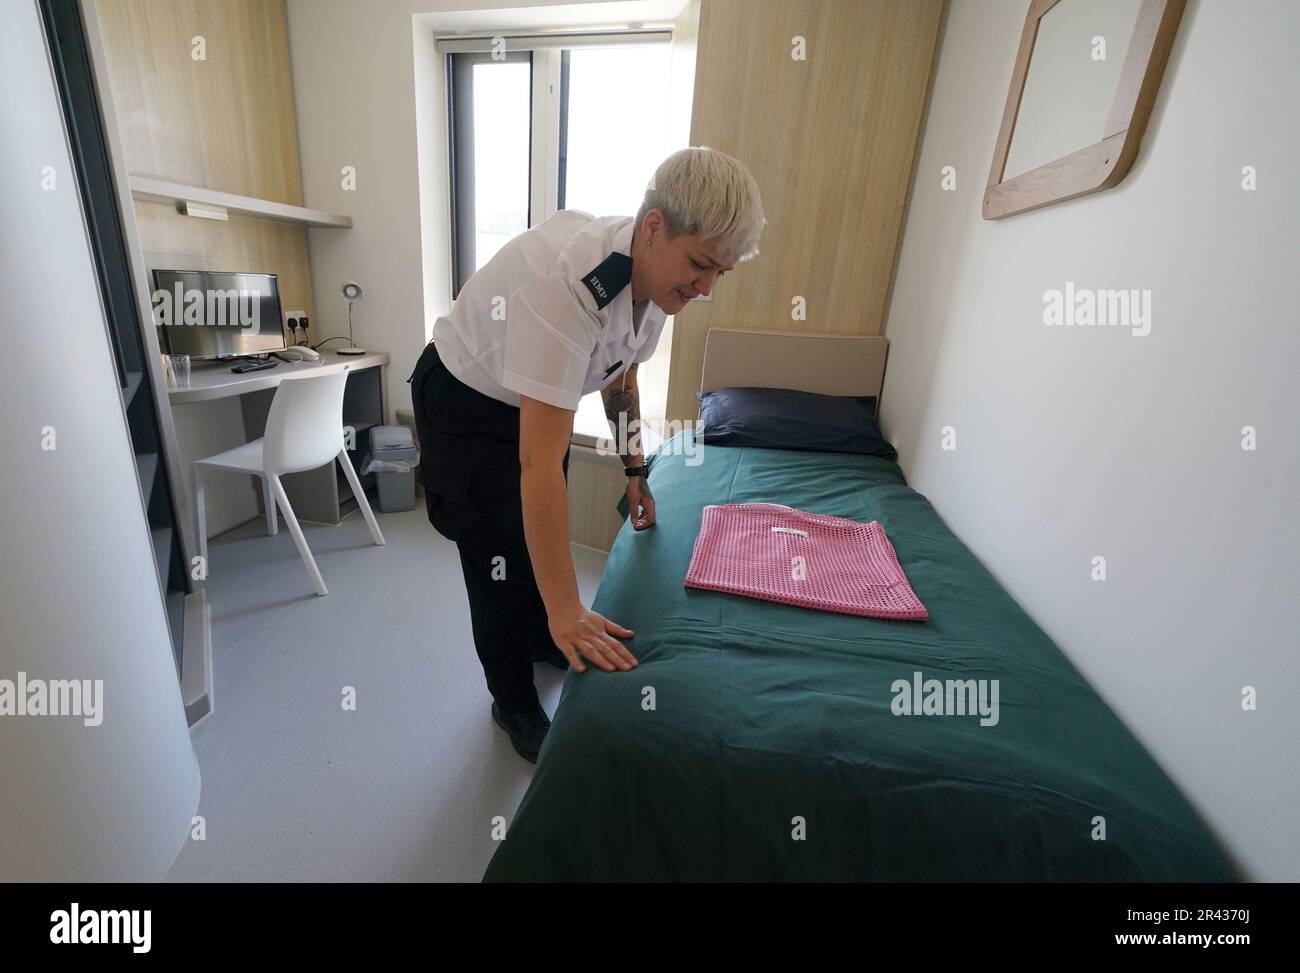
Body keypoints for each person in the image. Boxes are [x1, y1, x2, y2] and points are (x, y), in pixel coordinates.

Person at [409, 146, 765, 762]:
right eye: (701, 265)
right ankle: (512, 701)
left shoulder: (655, 281)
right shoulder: (568, 284)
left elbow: (619, 375)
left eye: (720, 274)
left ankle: (540, 630)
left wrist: (635, 470)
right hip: (468, 401)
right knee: (498, 555)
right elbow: (537, 466)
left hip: (531, 402)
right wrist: (569, 606)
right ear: (654, 226)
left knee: (533, 537)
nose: (707, 288)